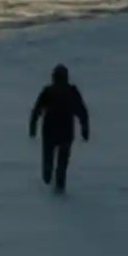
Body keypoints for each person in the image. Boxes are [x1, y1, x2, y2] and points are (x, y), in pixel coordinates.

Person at [29, 64, 90, 193]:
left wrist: (32, 128)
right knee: (62, 162)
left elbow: (37, 111)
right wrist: (85, 130)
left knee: (48, 160)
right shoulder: (72, 91)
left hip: (49, 131)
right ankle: (59, 186)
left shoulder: (48, 91)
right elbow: (82, 111)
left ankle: (47, 181)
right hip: (66, 132)